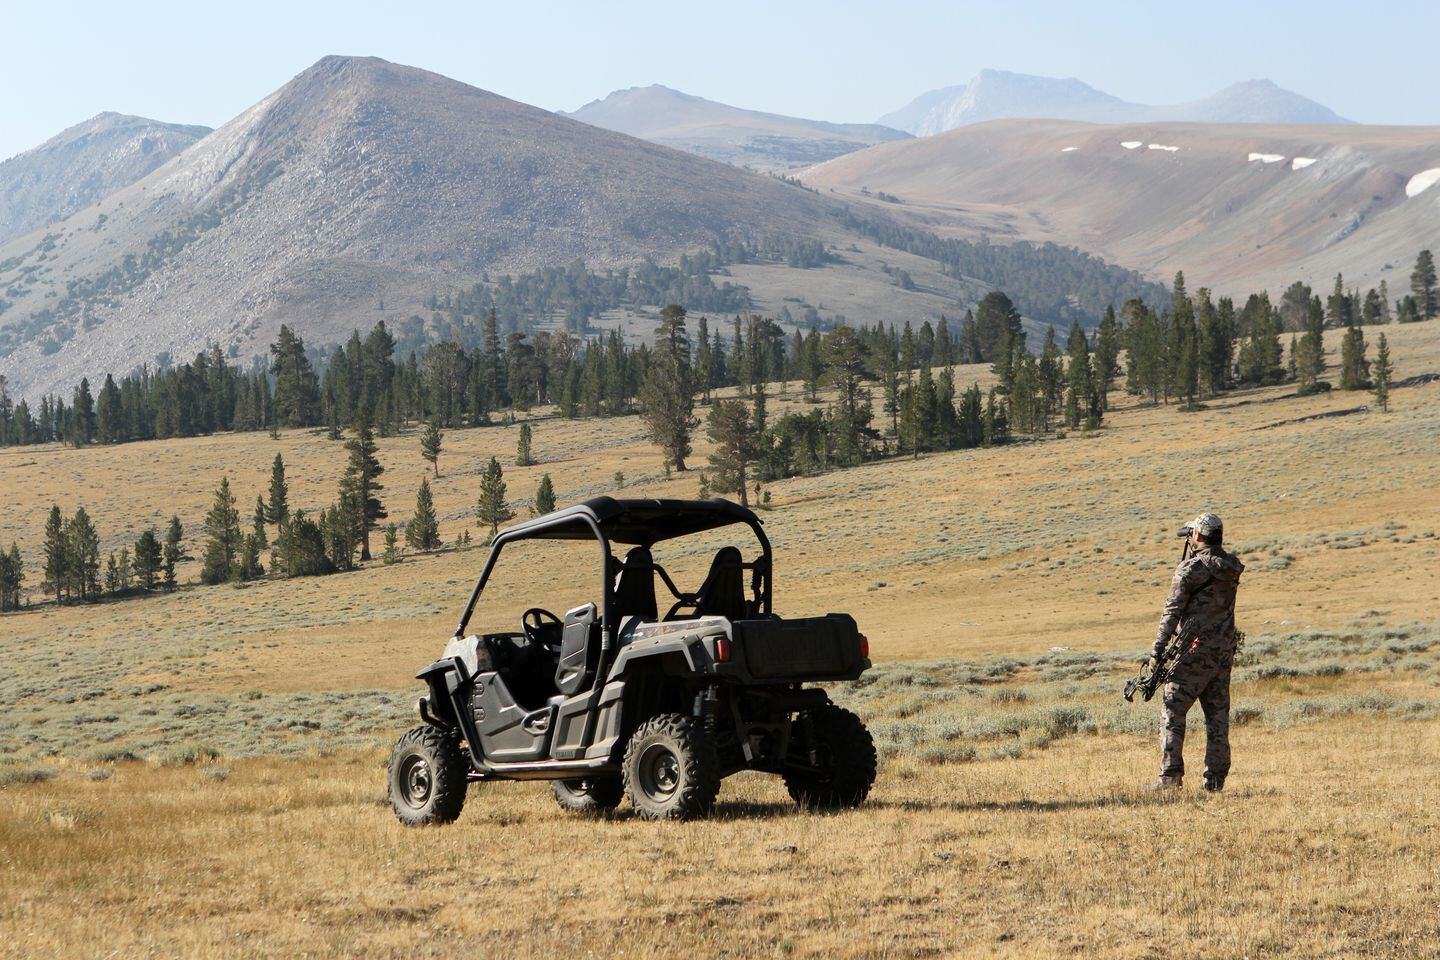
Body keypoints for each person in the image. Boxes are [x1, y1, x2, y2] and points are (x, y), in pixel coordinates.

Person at [1148, 513, 1244, 793]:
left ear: (1198, 536)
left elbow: (1171, 613)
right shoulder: (1231, 566)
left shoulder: (1190, 570)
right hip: (1222, 653)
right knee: (1217, 717)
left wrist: (1157, 650)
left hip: (1191, 653)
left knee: (1172, 710)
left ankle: (1170, 777)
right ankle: (1214, 780)